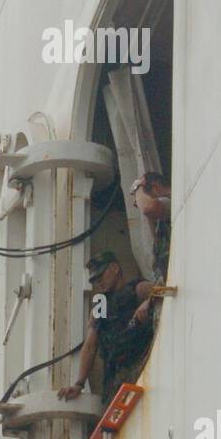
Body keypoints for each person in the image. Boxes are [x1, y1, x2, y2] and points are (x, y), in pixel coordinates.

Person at [58, 251, 154, 404]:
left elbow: (161, 291)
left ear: (115, 268)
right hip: (114, 379)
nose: (99, 282)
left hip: (141, 368)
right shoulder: (100, 304)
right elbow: (90, 345)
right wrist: (79, 384)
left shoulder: (138, 288)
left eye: (101, 275)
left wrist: (148, 303)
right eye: (95, 279)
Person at [131, 171, 171, 283]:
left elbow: (149, 208)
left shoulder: (171, 200)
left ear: (156, 187)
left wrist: (137, 187)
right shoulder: (160, 220)